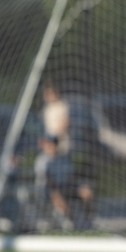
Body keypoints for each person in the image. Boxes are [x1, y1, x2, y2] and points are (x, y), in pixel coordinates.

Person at [35, 83, 93, 230]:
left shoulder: (64, 158)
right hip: (49, 190)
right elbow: (49, 183)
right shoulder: (44, 162)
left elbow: (72, 178)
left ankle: (86, 222)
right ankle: (67, 220)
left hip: (65, 186)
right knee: (56, 194)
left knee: (86, 192)